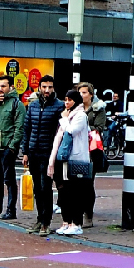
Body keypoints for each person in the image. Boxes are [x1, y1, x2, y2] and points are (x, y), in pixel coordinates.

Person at [20, 75, 64, 235]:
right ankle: (40, 219)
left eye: (50, 87)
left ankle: (46, 221)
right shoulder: (32, 106)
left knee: (46, 187)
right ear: (39, 87)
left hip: (49, 153)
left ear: (53, 88)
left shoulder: (59, 106)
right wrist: (25, 151)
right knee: (37, 188)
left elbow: (61, 131)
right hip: (33, 152)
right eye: (44, 87)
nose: (47, 90)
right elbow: (27, 129)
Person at [47, 89, 92, 236]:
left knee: (75, 193)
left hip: (76, 160)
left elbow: (71, 131)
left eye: (70, 100)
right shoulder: (68, 116)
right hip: (63, 160)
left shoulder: (80, 116)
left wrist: (64, 119)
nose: (67, 102)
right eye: (65, 99)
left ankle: (76, 223)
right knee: (65, 193)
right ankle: (67, 222)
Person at [0, 75, 26, 219]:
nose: (1, 89)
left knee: (9, 180)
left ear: (11, 87)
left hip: (6, 147)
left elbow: (19, 127)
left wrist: (12, 147)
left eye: (4, 86)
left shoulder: (17, 104)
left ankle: (11, 210)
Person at [78, 82, 107, 225]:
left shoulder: (98, 109)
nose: (81, 95)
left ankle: (88, 214)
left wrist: (82, 127)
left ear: (91, 94)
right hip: (77, 150)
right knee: (76, 183)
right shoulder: (75, 108)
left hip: (91, 150)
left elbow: (99, 128)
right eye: (80, 92)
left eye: (84, 92)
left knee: (88, 183)